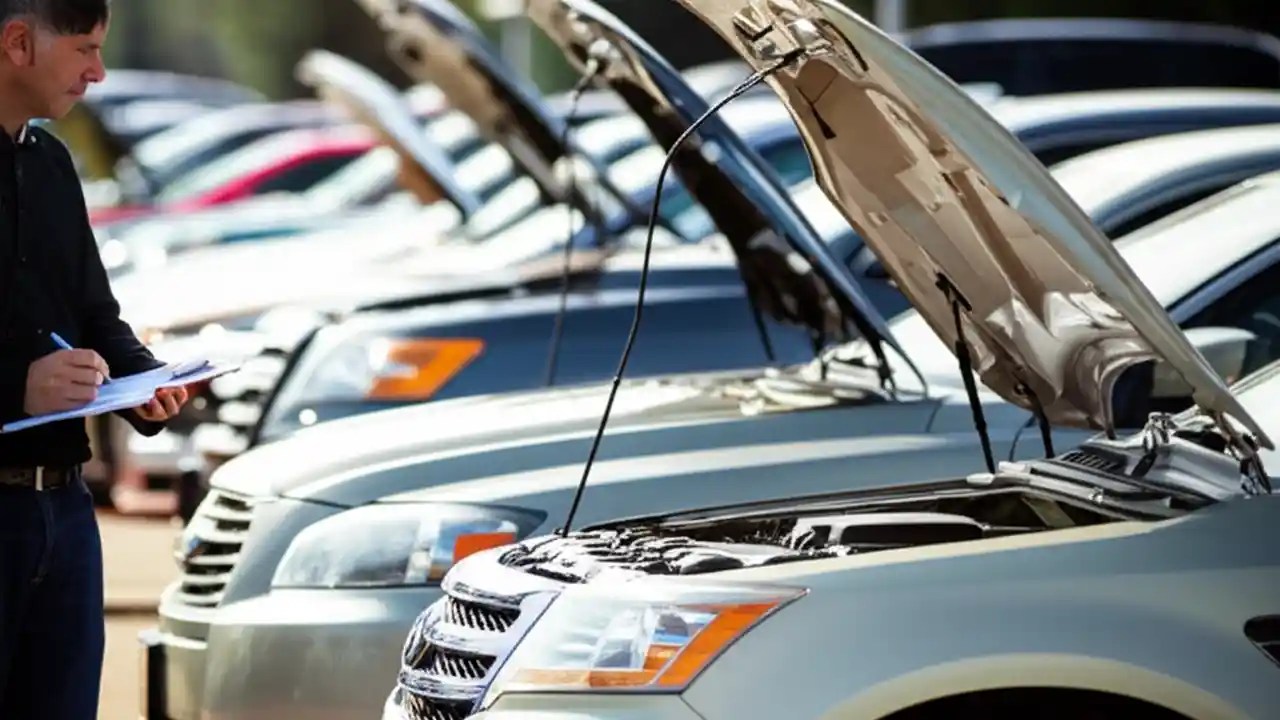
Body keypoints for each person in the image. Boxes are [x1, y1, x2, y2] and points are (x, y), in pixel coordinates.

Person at [0, 1, 190, 717]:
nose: (97, 72)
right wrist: (16, 389)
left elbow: (95, 316)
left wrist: (148, 380)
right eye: (83, 48)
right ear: (18, 42)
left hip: (68, 517)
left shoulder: (53, 166)